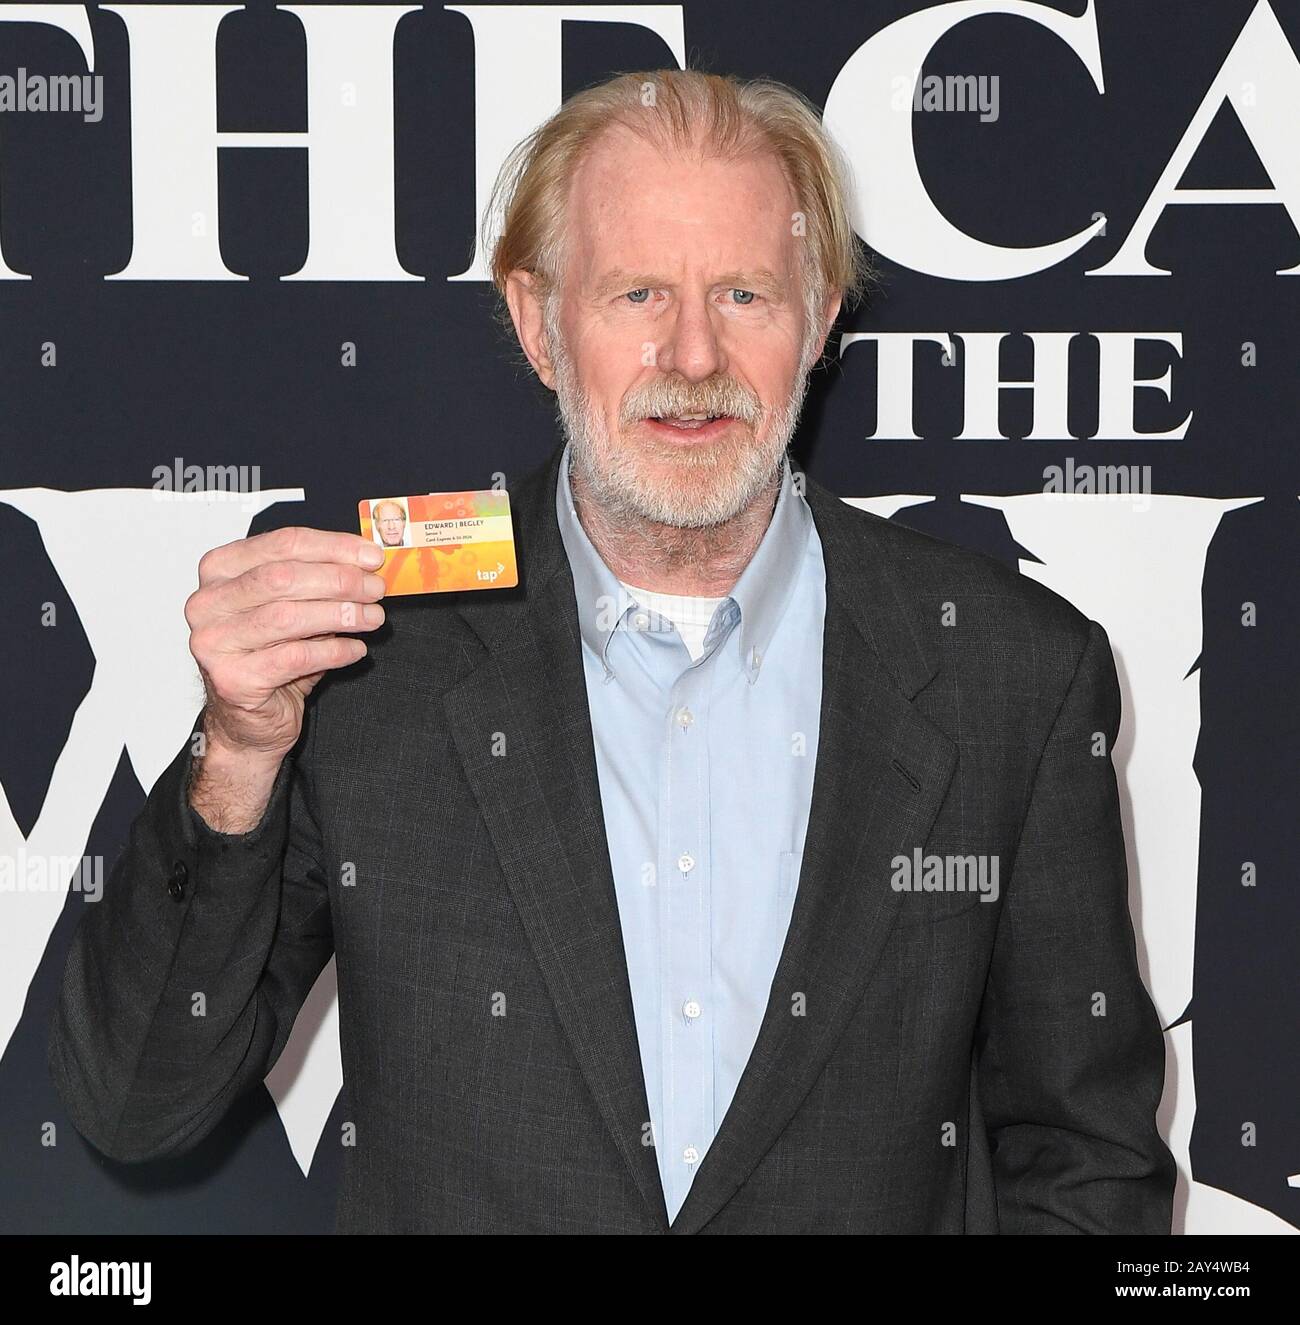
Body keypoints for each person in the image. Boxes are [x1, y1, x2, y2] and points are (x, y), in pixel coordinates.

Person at [48, 69, 1175, 1234]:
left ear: (821, 315)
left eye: (743, 293)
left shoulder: (1011, 673)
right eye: (638, 292)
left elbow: (1088, 1166)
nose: (692, 356)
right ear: (538, 322)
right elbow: (137, 1103)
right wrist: (237, 756)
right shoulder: (372, 655)